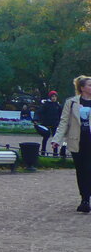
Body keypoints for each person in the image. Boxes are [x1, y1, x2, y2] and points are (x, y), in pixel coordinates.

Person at [50, 76, 91, 213]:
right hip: (77, 141)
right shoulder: (71, 103)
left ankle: (86, 198)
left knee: (88, 169)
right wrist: (57, 139)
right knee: (81, 171)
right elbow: (64, 122)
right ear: (82, 88)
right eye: (90, 85)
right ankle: (85, 198)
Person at [36, 91, 62, 155]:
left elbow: (61, 114)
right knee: (45, 138)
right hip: (46, 124)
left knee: (55, 139)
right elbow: (39, 112)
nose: (54, 98)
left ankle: (55, 153)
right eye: (52, 96)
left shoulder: (58, 105)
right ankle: (43, 151)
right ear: (50, 97)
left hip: (55, 124)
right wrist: (36, 119)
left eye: (55, 96)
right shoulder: (46, 105)